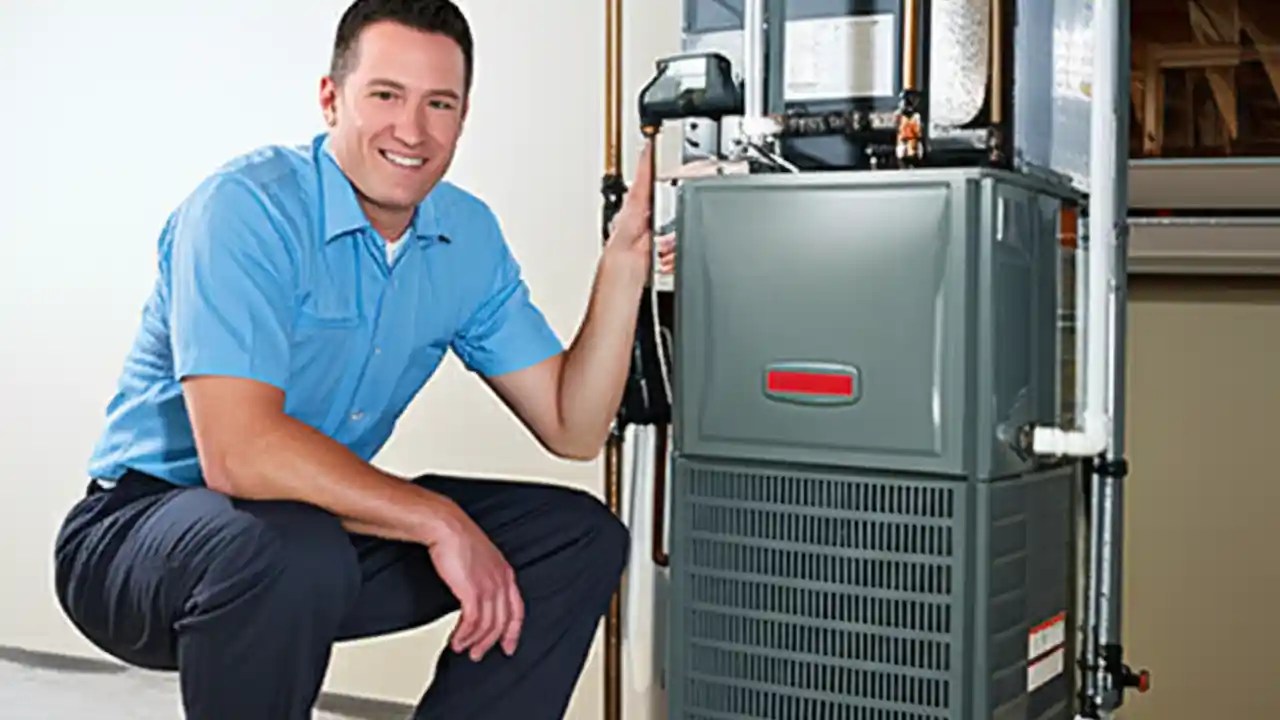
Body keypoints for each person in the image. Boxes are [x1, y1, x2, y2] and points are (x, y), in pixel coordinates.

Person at [52, 1, 669, 718]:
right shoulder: (245, 208)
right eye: (386, 95)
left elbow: (574, 425)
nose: (412, 130)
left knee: (578, 538)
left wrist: (624, 262)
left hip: (311, 529)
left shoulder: (464, 236)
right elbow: (240, 456)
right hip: (138, 537)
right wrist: (440, 520)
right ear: (330, 98)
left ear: (463, 117)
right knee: (292, 545)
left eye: (439, 103)